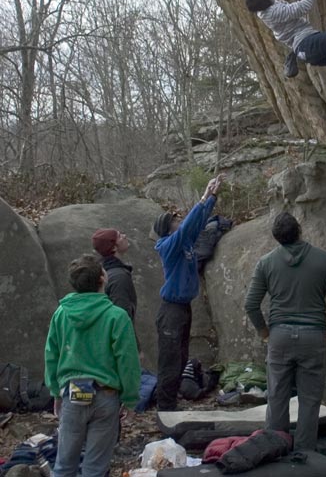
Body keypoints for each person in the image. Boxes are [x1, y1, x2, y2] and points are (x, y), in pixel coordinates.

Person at [244, 212, 326, 452]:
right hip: (313, 337)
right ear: (300, 230)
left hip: (279, 336)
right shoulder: (325, 260)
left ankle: (274, 451)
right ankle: (304, 457)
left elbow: (251, 304)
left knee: (277, 397)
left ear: (276, 238)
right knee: (310, 401)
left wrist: (264, 333)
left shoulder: (266, 263)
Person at [44, 254, 140, 477]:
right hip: (106, 395)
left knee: (64, 465)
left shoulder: (61, 314)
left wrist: (55, 392)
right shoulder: (117, 316)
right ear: (103, 278)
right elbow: (128, 361)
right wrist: (130, 399)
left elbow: (52, 354)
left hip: (72, 392)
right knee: (95, 468)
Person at [152, 174, 223, 411]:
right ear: (167, 228)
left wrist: (211, 196)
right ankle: (166, 408)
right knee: (170, 362)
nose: (178, 220)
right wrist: (202, 197)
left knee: (181, 359)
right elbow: (188, 226)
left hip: (183, 308)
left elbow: (198, 222)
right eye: (173, 220)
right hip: (170, 310)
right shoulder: (168, 245)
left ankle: (172, 404)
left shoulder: (184, 242)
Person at [91, 228, 137, 324]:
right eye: (119, 236)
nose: (124, 236)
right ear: (114, 248)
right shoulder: (119, 277)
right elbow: (122, 316)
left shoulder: (103, 270)